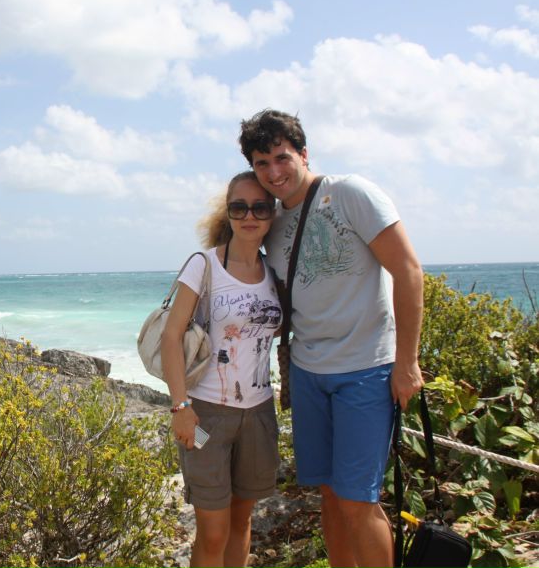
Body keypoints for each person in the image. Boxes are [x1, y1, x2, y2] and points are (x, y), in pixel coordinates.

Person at [238, 109, 424, 568]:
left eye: (282, 158)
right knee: (329, 495)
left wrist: (407, 363)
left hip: (365, 370)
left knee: (359, 500)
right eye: (262, 164)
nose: (274, 173)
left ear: (304, 154)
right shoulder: (272, 223)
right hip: (308, 373)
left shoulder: (350, 194)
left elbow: (408, 271)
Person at [161, 171, 282, 568]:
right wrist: (180, 407)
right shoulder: (205, 265)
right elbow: (171, 337)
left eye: (259, 208)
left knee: (242, 521)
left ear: (272, 213)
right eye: (239, 207)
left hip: (259, 412)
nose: (249, 216)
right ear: (227, 212)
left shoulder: (274, 271)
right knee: (213, 531)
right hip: (205, 414)